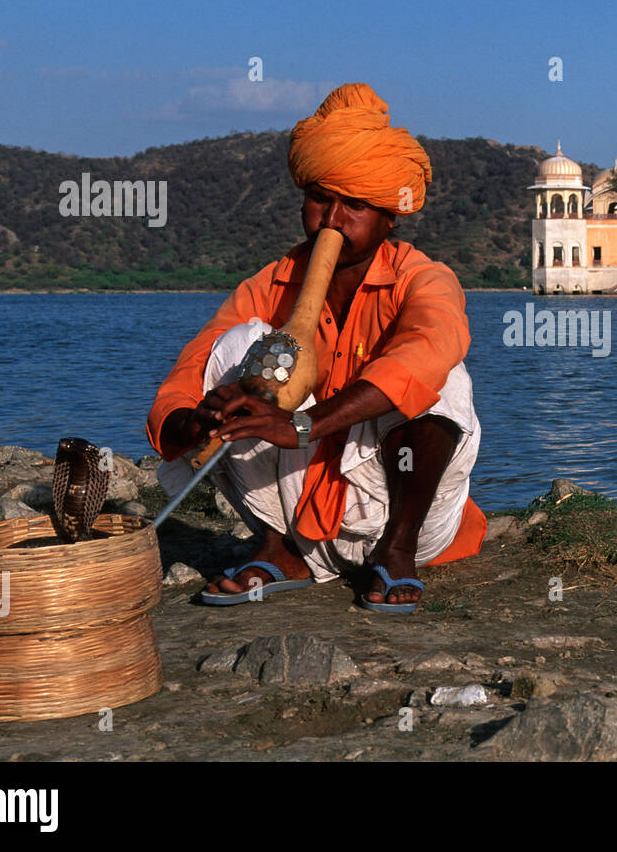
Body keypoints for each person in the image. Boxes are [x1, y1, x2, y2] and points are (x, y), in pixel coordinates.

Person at [145, 83, 485, 612]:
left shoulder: (424, 279)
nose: (332, 219)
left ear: (388, 218)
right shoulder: (272, 283)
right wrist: (195, 421)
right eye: (321, 198)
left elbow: (431, 345)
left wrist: (303, 425)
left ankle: (396, 554)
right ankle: (279, 550)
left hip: (402, 515)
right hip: (294, 507)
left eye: (355, 204)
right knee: (240, 345)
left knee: (445, 380)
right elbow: (191, 370)